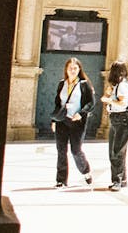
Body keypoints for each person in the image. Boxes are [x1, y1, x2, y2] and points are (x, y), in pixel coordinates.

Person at [51, 57, 95, 188]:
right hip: (62, 121)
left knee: (76, 150)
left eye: (75, 68)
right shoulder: (62, 84)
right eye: (70, 68)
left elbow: (91, 103)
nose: (72, 70)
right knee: (61, 150)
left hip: (77, 122)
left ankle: (85, 170)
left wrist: (80, 114)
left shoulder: (84, 84)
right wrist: (54, 120)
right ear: (66, 69)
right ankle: (61, 180)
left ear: (79, 69)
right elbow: (58, 103)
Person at [100, 60, 128, 191]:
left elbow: (121, 103)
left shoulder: (122, 86)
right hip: (118, 119)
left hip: (122, 120)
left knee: (116, 152)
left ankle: (117, 181)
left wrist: (107, 99)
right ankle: (122, 180)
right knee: (118, 151)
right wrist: (109, 95)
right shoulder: (119, 86)